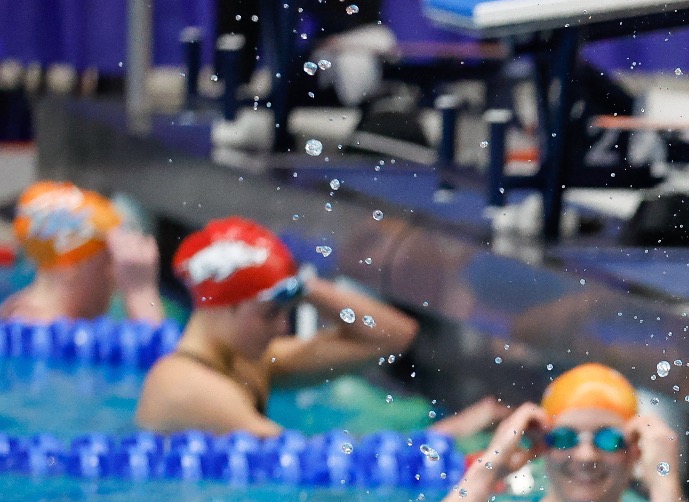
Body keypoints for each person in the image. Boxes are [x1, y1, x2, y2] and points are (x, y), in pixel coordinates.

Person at [135, 216, 419, 437]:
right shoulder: (184, 385)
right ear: (226, 306)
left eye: (286, 312)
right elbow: (298, 458)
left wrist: (306, 286)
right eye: (270, 313)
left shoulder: (248, 363)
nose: (283, 328)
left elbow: (393, 337)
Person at [425, 362, 689, 502]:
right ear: (542, 445)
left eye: (608, 439)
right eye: (564, 438)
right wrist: (489, 469)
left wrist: (663, 482)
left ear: (634, 451)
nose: (586, 455)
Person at [3, 181, 167, 324]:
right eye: (109, 261)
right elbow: (160, 351)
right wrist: (141, 295)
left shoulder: (14, 313)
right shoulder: (35, 324)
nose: (115, 278)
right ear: (71, 266)